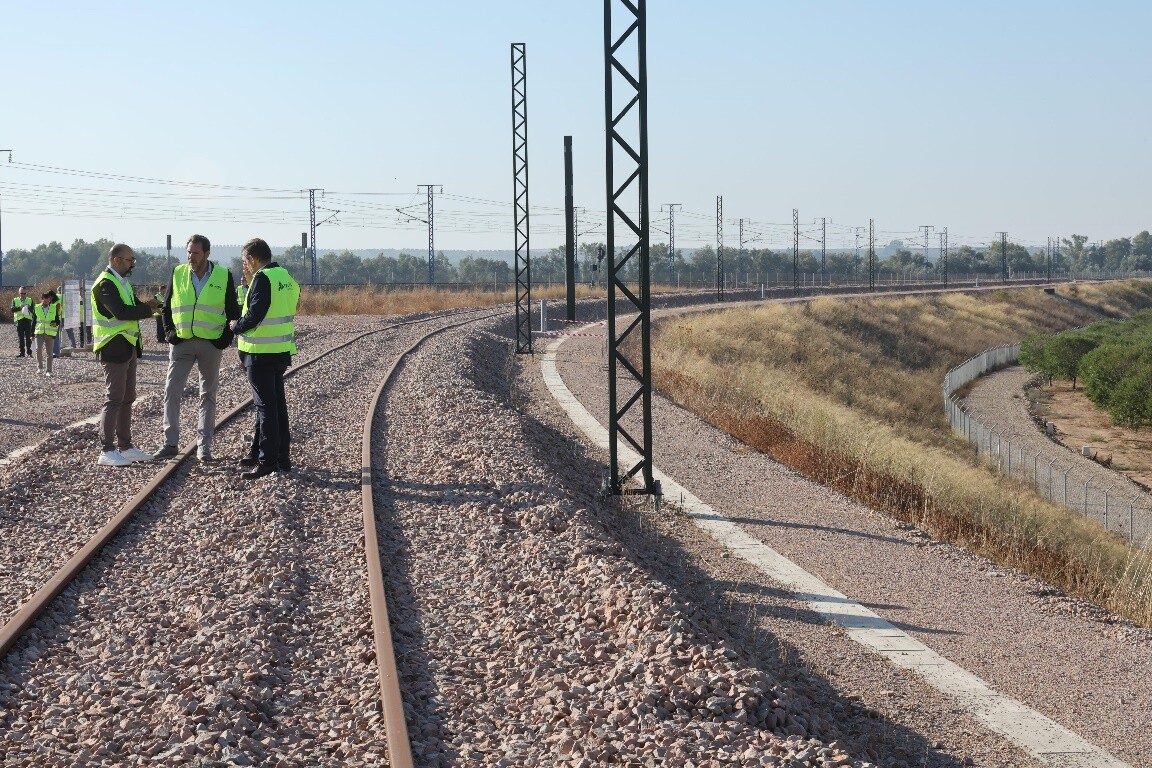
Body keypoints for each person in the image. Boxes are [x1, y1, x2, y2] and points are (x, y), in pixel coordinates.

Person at [154, 234, 241, 462]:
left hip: (211, 344)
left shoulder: (223, 275)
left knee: (208, 394)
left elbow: (233, 311)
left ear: (207, 254)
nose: (190, 257)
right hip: (181, 343)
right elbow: (166, 307)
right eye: (188, 252)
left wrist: (224, 339)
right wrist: (170, 333)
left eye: (195, 253)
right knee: (172, 391)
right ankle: (170, 443)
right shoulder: (178, 273)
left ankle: (204, 446)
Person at [230, 237, 300, 480]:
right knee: (276, 405)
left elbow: (254, 316)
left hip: (260, 352)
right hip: (280, 350)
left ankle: (266, 461)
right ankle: (280, 456)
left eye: (244, 261)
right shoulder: (285, 277)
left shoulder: (262, 278)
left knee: (265, 407)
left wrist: (235, 326)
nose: (244, 266)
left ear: (252, 258)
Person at [91, 243, 162, 467]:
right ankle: (107, 449)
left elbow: (134, 307)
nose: (133, 264)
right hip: (113, 346)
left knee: (127, 397)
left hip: (127, 346)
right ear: (116, 260)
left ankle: (125, 446)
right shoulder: (105, 284)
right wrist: (148, 308)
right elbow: (121, 312)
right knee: (114, 397)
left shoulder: (122, 283)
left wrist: (152, 306)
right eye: (130, 260)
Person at [33, 291, 59, 376]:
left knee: (49, 353)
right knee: (38, 349)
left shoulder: (53, 308)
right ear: (42, 299)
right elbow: (34, 321)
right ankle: (40, 368)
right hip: (39, 332)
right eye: (45, 298)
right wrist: (31, 334)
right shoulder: (37, 307)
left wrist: (55, 323)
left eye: (49, 298)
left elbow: (58, 321)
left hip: (50, 333)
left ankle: (49, 371)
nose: (47, 300)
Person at [11, 286, 34, 357]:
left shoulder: (30, 300)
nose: (23, 295)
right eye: (21, 293)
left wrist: (28, 307)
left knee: (28, 337)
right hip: (19, 321)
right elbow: (12, 309)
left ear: (26, 293)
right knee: (21, 337)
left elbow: (33, 310)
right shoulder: (15, 300)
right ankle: (22, 353)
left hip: (27, 320)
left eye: (24, 293)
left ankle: (29, 352)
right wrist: (20, 307)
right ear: (19, 293)